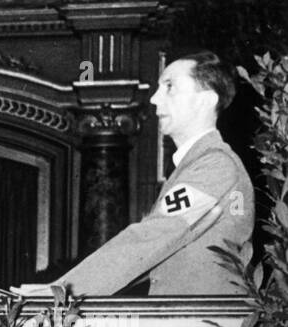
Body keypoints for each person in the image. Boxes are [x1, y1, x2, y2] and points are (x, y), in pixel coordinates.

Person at [24, 52, 253, 298]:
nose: (154, 99)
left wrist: (64, 290)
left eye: (169, 87)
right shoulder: (197, 165)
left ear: (205, 100)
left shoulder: (214, 165)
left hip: (205, 326)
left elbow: (150, 237)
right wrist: (62, 287)